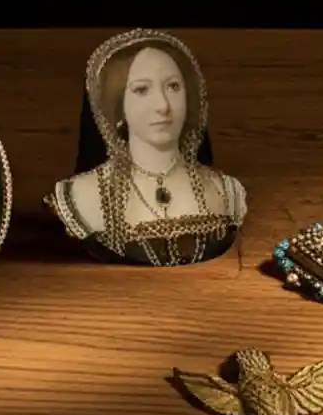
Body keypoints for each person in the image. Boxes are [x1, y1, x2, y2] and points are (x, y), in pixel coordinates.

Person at [46, 28, 247, 266]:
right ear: (118, 106)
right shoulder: (81, 194)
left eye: (173, 87)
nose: (163, 105)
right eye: (142, 90)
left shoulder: (225, 189)